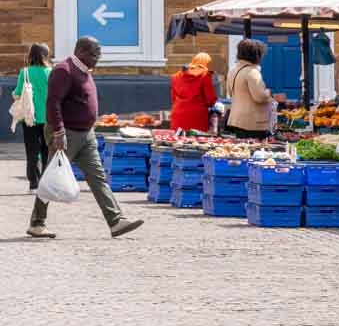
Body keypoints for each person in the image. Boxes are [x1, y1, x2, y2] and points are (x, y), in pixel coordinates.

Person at [28, 36, 143, 239]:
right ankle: (37, 223)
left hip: (86, 134)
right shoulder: (64, 70)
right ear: (80, 51)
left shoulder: (84, 70)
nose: (97, 57)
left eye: (98, 53)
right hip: (67, 133)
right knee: (52, 177)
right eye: (93, 53)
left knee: (97, 177)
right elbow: (53, 103)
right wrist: (59, 131)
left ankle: (115, 221)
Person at [224, 39, 281, 137]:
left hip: (236, 119)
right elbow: (259, 97)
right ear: (256, 55)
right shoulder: (252, 72)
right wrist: (268, 92)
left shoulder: (233, 70)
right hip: (252, 122)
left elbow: (230, 92)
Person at [15, 42, 51, 190]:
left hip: (29, 118)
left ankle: (33, 184)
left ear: (31, 55)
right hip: (48, 118)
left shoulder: (25, 72)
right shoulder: (51, 72)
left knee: (32, 151)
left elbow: (17, 94)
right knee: (46, 151)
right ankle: (45, 182)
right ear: (45, 55)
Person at [168, 51, 217, 132]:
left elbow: (174, 98)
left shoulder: (176, 76)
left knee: (178, 142)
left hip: (178, 115)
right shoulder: (205, 75)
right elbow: (210, 100)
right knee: (196, 141)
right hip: (197, 117)